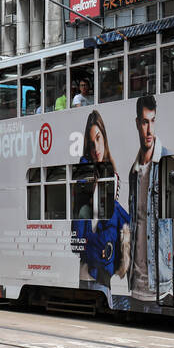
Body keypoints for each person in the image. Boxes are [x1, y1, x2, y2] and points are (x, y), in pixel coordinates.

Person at [72, 109, 131, 287]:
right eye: (91, 143)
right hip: (90, 269)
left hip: (103, 266)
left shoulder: (110, 172)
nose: (96, 147)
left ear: (104, 137)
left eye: (98, 138)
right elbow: (81, 225)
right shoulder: (85, 173)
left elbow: (111, 213)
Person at [128, 94, 174, 308]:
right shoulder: (133, 171)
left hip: (161, 289)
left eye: (152, 121)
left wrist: (173, 272)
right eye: (145, 122)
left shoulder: (167, 163)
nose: (149, 130)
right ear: (138, 123)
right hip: (135, 288)